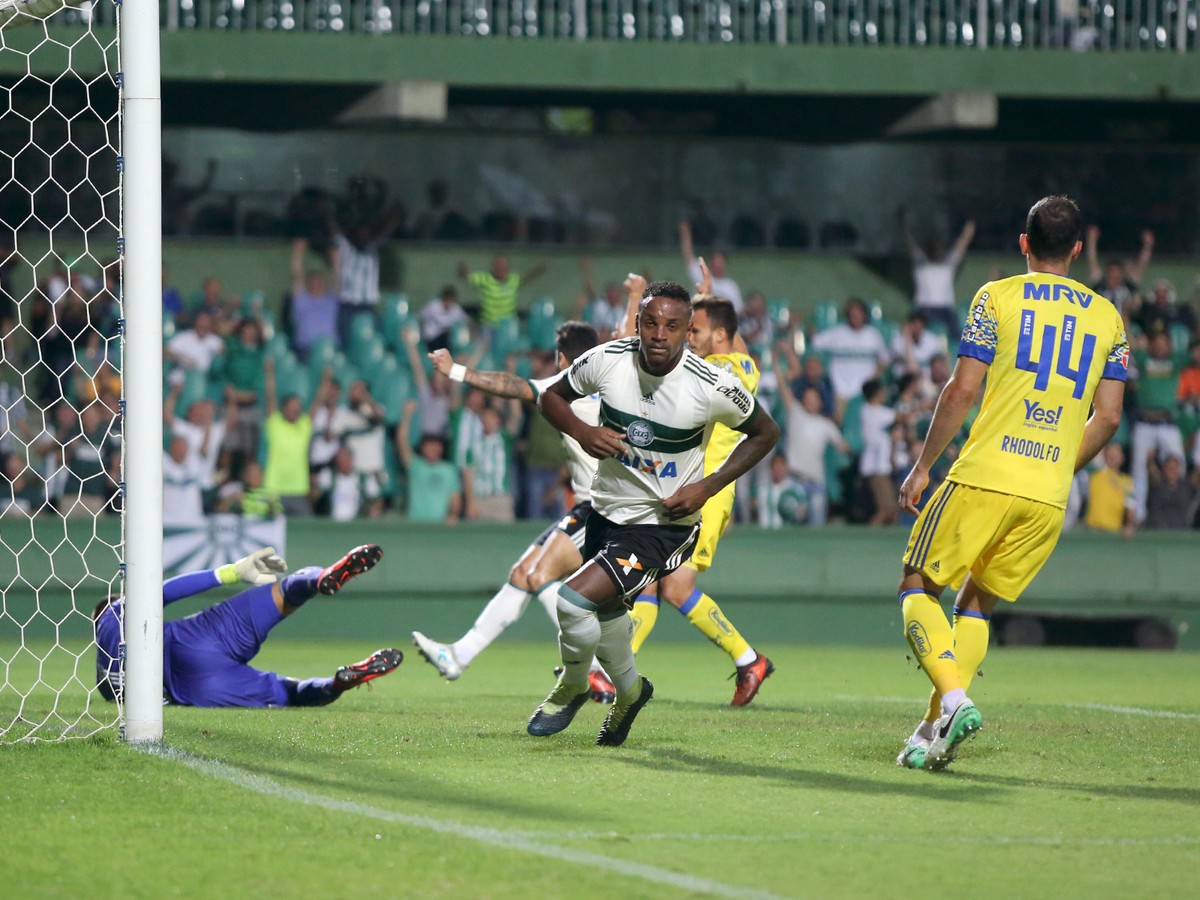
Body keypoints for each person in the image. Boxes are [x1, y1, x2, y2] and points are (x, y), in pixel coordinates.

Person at [894, 195, 1128, 771]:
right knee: (977, 603)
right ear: (1077, 249)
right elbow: (1111, 416)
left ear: (1023, 243)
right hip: (1049, 494)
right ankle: (930, 731)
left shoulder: (995, 297)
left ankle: (951, 699)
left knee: (916, 586)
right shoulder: (1107, 316)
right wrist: (1058, 465)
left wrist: (924, 464)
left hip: (984, 475)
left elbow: (962, 389)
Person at [529, 279, 780, 746]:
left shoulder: (712, 386)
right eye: (649, 322)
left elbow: (766, 432)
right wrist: (584, 433)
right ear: (638, 324)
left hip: (665, 525)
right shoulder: (608, 359)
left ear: (689, 332)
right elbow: (551, 397)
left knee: (572, 600)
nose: (658, 334)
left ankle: (572, 687)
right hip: (606, 513)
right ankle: (630, 694)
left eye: (672, 325)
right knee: (607, 618)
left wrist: (707, 486)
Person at [411, 322, 616, 701]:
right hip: (591, 507)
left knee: (538, 576)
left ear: (561, 358)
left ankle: (599, 669)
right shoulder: (613, 385)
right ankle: (459, 655)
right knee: (523, 573)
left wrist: (456, 370)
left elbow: (509, 385)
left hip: (604, 511)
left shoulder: (562, 386)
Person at [617, 285, 776, 705]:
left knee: (669, 587)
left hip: (707, 494)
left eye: (695, 329)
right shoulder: (744, 363)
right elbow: (732, 331)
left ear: (717, 336)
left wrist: (639, 305)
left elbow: (656, 349)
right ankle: (610, 670)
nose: (688, 335)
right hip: (693, 492)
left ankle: (748, 660)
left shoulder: (712, 373)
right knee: (648, 582)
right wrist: (710, 299)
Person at [93, 544, 400, 708]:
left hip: (199, 688)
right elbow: (163, 592)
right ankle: (321, 578)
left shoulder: (105, 677)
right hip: (201, 636)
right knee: (284, 591)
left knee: (289, 692)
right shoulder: (113, 613)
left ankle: (339, 683)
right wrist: (231, 573)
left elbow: (115, 692)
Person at [900, 209, 975, 338]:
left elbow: (963, 243)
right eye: (932, 249)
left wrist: (970, 224)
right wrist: (902, 224)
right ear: (926, 250)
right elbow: (910, 242)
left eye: (938, 249)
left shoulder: (948, 264)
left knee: (957, 337)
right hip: (924, 308)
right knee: (909, 331)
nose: (935, 251)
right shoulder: (921, 263)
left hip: (945, 309)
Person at [397, 401, 462, 524]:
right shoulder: (415, 465)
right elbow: (402, 442)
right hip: (415, 525)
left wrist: (452, 515)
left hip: (440, 528)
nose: (434, 448)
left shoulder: (449, 470)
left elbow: (455, 499)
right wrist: (406, 415)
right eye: (430, 444)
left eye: (437, 444)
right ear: (423, 447)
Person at [457, 256, 546, 335]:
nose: (501, 270)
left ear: (508, 268)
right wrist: (462, 269)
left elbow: (526, 278)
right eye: (498, 267)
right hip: (489, 325)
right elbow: (466, 277)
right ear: (494, 268)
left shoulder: (513, 280)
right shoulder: (485, 278)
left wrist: (539, 269)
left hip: (508, 325)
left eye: (503, 267)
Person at [678, 220, 742, 311]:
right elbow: (688, 256)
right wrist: (685, 234)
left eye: (720, 263)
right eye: (715, 263)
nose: (718, 266)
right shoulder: (700, 276)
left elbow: (738, 310)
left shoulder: (731, 286)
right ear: (710, 264)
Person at [1083, 443, 1135, 537]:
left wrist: (1128, 526)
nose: (1113, 457)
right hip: (1092, 529)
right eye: (1110, 453)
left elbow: (1130, 507)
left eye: (1116, 454)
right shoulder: (1096, 472)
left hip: (1113, 532)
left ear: (1122, 457)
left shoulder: (1127, 481)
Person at [420, 285, 468, 353]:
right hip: (431, 338)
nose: (449, 302)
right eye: (448, 299)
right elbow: (422, 316)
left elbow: (466, 319)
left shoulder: (455, 308)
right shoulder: (434, 305)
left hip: (446, 340)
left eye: (451, 300)